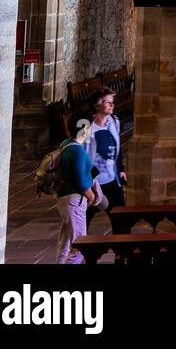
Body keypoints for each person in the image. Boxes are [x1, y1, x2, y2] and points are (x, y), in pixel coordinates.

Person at [56, 118, 96, 264]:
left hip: (64, 199)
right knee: (80, 247)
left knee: (65, 244)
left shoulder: (66, 144)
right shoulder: (77, 150)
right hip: (74, 201)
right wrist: (90, 194)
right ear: (85, 129)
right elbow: (81, 180)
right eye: (90, 126)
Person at [85, 89, 126, 223]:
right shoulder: (87, 127)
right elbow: (82, 156)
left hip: (112, 180)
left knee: (120, 220)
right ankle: (77, 244)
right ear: (98, 105)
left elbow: (116, 148)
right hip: (93, 183)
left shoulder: (114, 122)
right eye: (108, 102)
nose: (112, 105)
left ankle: (120, 244)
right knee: (83, 221)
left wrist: (121, 169)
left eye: (112, 102)